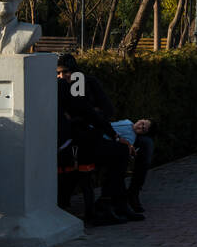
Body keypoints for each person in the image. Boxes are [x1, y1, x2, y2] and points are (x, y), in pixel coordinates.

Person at [56, 54, 141, 224]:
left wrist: (113, 135)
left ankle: (115, 203)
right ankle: (110, 204)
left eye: (66, 72)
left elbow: (98, 112)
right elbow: (87, 113)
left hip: (82, 139)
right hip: (72, 143)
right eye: (59, 73)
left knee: (122, 151)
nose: (62, 76)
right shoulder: (63, 85)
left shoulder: (80, 83)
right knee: (120, 153)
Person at [110, 118, 158, 213]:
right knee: (147, 145)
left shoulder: (131, 136)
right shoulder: (127, 122)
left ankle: (132, 192)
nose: (140, 126)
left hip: (114, 138)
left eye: (143, 128)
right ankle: (127, 195)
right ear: (141, 119)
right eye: (142, 123)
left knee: (147, 145)